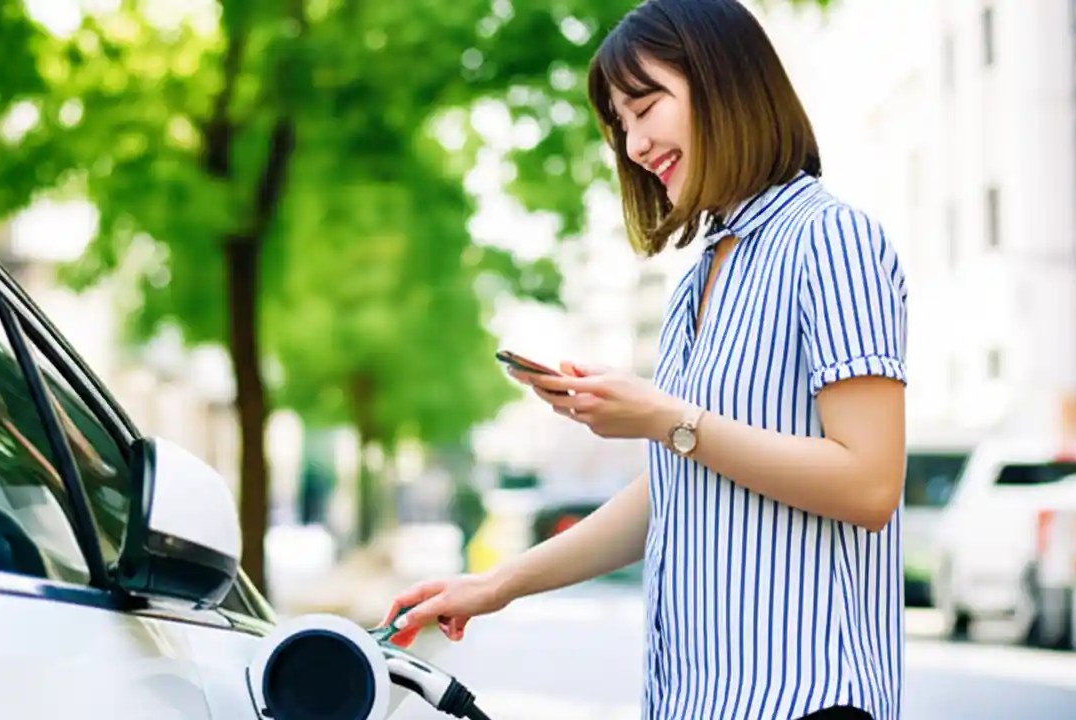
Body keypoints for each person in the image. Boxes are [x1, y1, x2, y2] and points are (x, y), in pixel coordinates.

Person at [381, 1, 907, 718]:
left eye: (645, 106)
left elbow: (870, 484)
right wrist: (495, 586)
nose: (632, 144)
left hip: (805, 700)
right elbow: (677, 490)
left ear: (723, 81)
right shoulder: (700, 277)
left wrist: (666, 418)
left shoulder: (831, 240)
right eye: (619, 125)